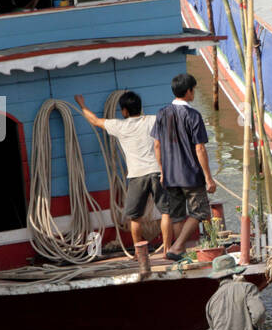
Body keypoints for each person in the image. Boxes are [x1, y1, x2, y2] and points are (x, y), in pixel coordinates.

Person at [75, 90, 161, 275]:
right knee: (167, 212)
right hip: (156, 171)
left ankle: (139, 253)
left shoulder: (120, 126)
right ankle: (169, 249)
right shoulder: (153, 120)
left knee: (134, 216)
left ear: (124, 111)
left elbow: (95, 121)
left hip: (137, 175)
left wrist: (82, 105)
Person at [152, 74, 218, 262]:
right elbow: (200, 148)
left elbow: (157, 145)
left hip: (171, 175)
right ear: (188, 91)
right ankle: (178, 246)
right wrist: (208, 178)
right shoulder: (193, 115)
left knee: (178, 215)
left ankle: (179, 252)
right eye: (193, 90)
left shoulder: (161, 113)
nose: (194, 93)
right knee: (201, 211)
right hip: (190, 174)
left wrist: (163, 171)